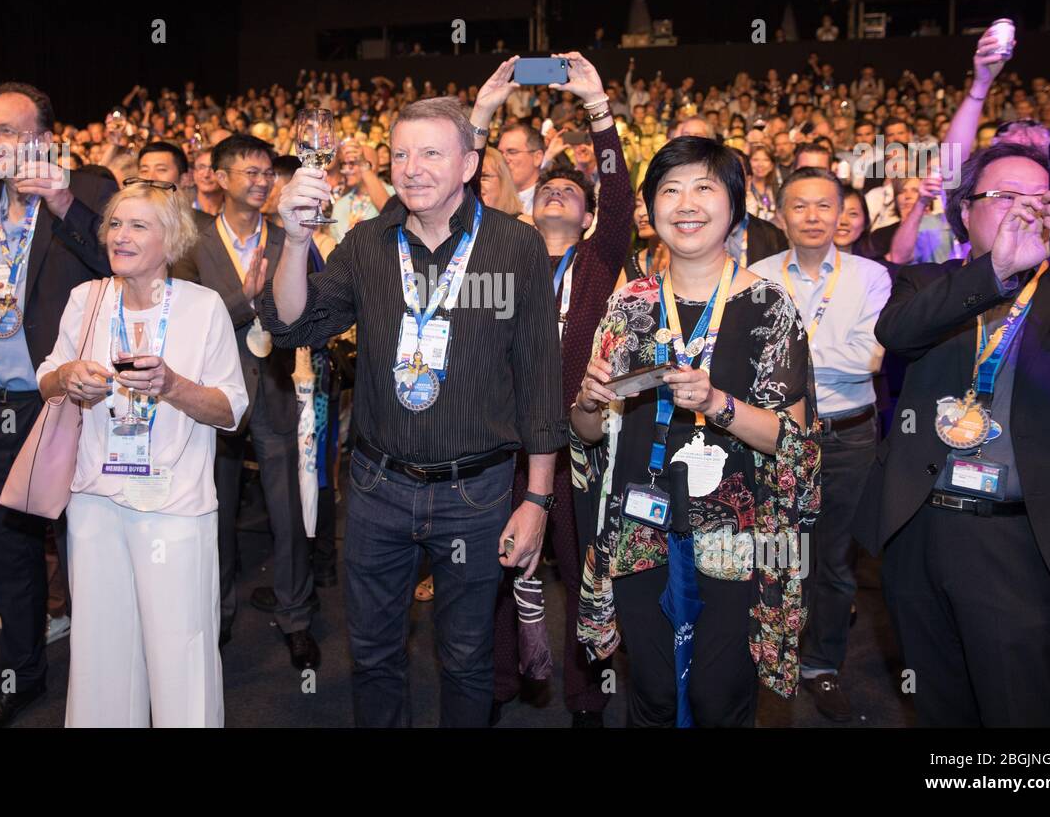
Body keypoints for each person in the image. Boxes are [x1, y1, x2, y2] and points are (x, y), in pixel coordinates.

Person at [261, 89, 565, 727]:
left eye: (431, 152)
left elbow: (540, 381)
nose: (412, 167)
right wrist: (294, 242)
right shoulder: (369, 245)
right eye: (400, 153)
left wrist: (536, 500)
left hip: (476, 493)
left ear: (468, 162)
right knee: (372, 656)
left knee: (466, 656)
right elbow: (292, 326)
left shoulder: (515, 249)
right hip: (377, 487)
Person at [854, 141, 1050, 726]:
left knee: (1020, 712)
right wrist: (995, 269)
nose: (1023, 209)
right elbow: (898, 334)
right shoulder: (927, 282)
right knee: (939, 706)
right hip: (920, 528)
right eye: (1002, 197)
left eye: (1038, 197)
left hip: (1019, 540)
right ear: (965, 212)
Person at [571, 136, 820, 726]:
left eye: (704, 187)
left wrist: (718, 402)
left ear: (734, 208)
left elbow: (796, 445)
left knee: (717, 695)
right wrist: (585, 400)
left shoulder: (769, 306)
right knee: (653, 693)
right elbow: (585, 435)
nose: (686, 203)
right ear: (650, 210)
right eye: (670, 189)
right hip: (641, 524)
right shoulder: (628, 304)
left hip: (737, 536)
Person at [37, 184, 248, 727]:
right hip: (95, 502)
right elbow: (47, 376)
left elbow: (230, 409)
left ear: (172, 239)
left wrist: (172, 385)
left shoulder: (202, 309)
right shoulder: (87, 300)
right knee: (99, 653)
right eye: (115, 224)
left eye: (138, 226)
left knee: (182, 654)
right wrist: (68, 378)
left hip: (174, 507)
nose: (120, 236)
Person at [0, 82, 117, 727]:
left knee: (89, 550)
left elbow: (120, 263)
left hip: (67, 404)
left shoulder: (92, 187)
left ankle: (103, 687)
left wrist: (65, 201)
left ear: (45, 138)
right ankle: (19, 680)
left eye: (9, 131)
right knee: (9, 558)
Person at [478, 53, 633, 726]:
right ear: (527, 204)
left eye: (573, 191)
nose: (560, 194)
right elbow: (457, 196)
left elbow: (621, 194)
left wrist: (600, 111)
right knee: (499, 572)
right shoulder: (498, 252)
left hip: (579, 442)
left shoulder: (598, 263)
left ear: (590, 216)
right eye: (548, 189)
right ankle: (496, 686)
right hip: (504, 444)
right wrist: (481, 116)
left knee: (582, 573)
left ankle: (586, 697)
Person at [750, 167, 891, 722]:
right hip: (774, 435)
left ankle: (821, 664)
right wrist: (824, 357)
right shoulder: (756, 275)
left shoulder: (871, 277)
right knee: (774, 553)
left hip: (847, 436)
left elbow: (872, 359)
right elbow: (745, 360)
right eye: (800, 207)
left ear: (843, 216)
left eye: (824, 207)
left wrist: (788, 359)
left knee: (833, 561)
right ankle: (771, 660)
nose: (812, 217)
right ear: (781, 216)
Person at [174, 134, 320, 665]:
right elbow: (188, 324)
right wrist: (250, 297)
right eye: (249, 173)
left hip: (277, 387)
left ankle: (296, 616)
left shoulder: (292, 238)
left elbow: (315, 308)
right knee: (213, 511)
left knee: (288, 511)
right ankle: (216, 615)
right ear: (218, 177)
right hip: (211, 395)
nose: (262, 182)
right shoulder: (191, 246)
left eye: (266, 174)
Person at [497, 122, 545, 214]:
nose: (503, 159)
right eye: (500, 153)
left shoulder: (550, 200)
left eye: (512, 152)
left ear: (537, 158)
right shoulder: (490, 196)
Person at [478, 146, 524, 216]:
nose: (476, 183)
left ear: (503, 181)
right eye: (472, 178)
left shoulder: (523, 224)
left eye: (484, 176)